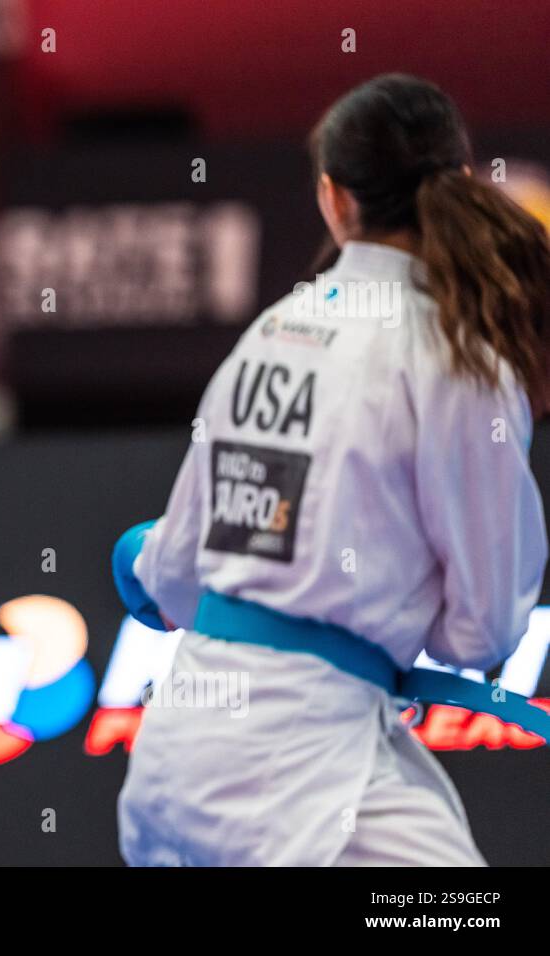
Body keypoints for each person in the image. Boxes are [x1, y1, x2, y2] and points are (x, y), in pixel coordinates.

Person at [117, 74, 550, 866]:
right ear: (457, 183)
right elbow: (483, 631)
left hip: (176, 769)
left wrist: (145, 561)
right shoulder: (463, 363)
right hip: (303, 787)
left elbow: (172, 581)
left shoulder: (270, 333)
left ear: (332, 199)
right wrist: (385, 601)